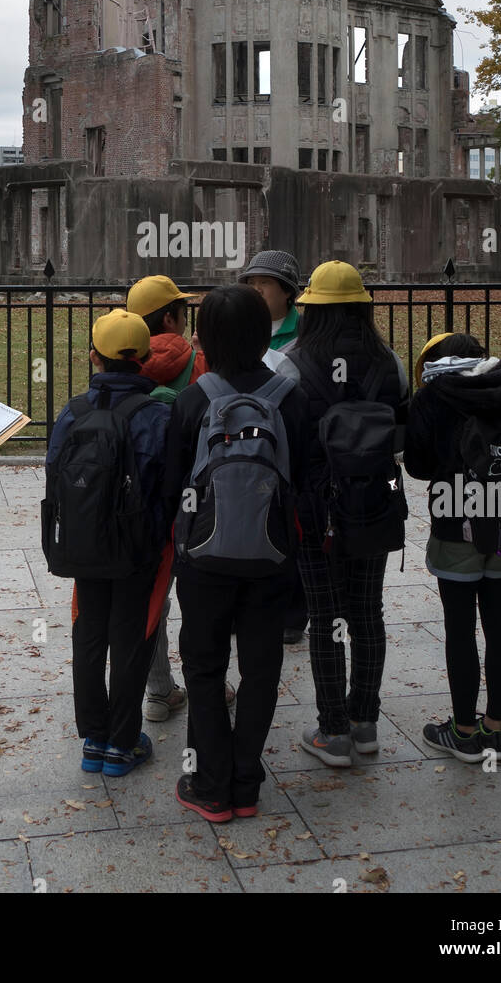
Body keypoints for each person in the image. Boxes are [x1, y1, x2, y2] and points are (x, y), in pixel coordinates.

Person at [164, 285, 309, 821]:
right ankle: (246, 782)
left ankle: (210, 782)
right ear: (263, 332)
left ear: (205, 337)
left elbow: (172, 482)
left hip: (203, 557)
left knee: (204, 667)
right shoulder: (290, 398)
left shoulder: (194, 399)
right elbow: (308, 478)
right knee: (262, 668)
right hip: (272, 556)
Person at [273, 261, 409, 768]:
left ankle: (332, 731)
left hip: (315, 514)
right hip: (373, 506)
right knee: (367, 613)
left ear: (311, 310)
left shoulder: (288, 363)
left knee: (326, 616)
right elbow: (399, 434)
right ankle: (364, 722)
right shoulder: (388, 362)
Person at [403, 332, 501, 762]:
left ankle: (464, 732)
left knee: (459, 626)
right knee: (499, 622)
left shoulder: (431, 398)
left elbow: (417, 465)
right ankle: (495, 729)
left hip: (459, 523)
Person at [45, 309, 171, 776]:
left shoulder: (73, 411)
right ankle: (123, 742)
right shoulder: (157, 413)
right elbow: (169, 483)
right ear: (143, 359)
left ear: (93, 357)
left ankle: (94, 739)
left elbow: (54, 470)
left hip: (84, 545)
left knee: (89, 633)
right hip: (139, 550)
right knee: (132, 636)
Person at [126, 275, 205, 723]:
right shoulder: (199, 361)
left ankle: (158, 691)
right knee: (197, 594)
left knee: (151, 595)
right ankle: (203, 680)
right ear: (173, 317)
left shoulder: (124, 363)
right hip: (193, 498)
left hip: (141, 500)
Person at [238, 250, 308, 643]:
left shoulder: (304, 332)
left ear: (286, 291)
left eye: (263, 283)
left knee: (289, 522)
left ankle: (293, 616)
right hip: (249, 441)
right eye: (250, 283)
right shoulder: (243, 324)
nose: (255, 289)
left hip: (286, 437)